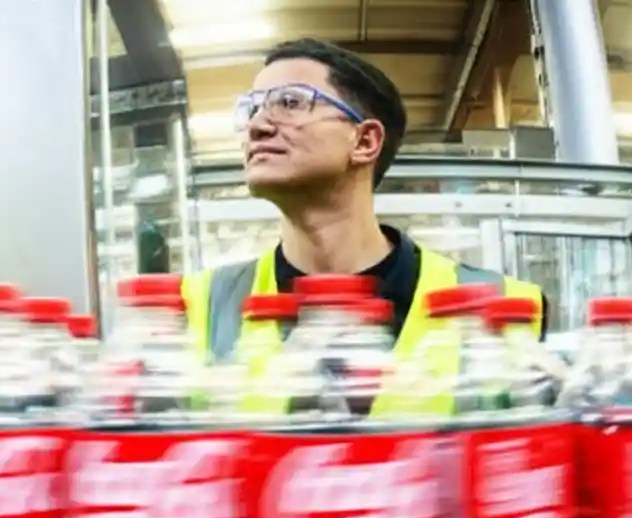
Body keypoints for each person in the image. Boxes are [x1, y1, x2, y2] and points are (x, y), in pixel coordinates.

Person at [181, 38, 545, 372]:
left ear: (365, 141)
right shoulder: (196, 307)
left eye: (290, 102)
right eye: (251, 109)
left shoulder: (504, 307)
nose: (257, 126)